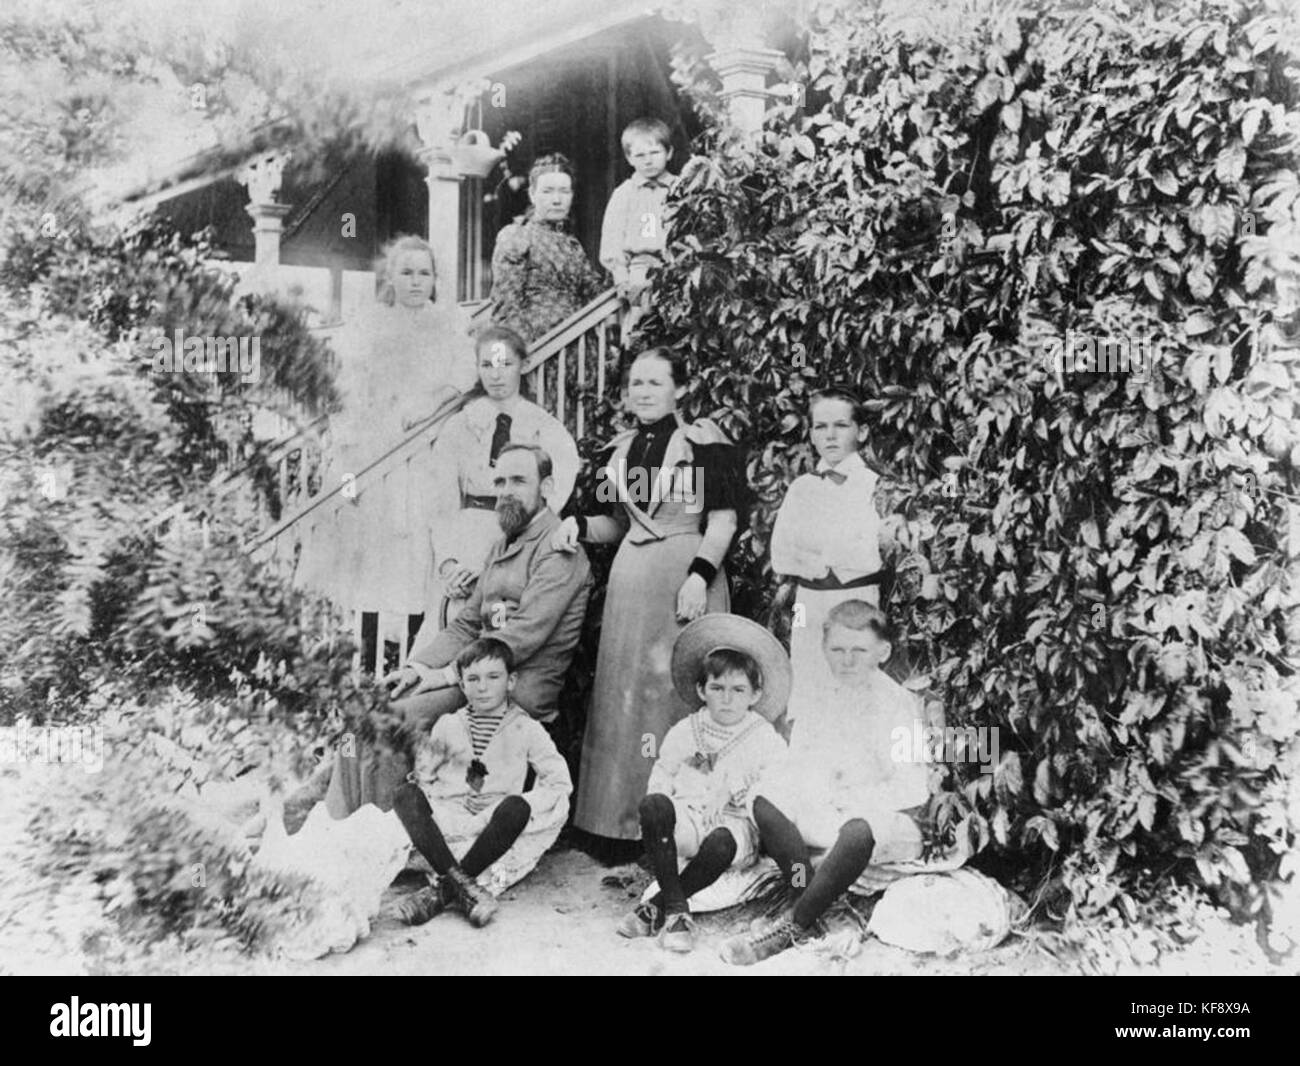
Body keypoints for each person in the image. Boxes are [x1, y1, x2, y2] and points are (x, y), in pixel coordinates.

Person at [295, 444, 591, 822]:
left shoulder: (559, 549)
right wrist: (417, 669)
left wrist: (447, 674)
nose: (505, 492)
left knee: (395, 723)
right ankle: (342, 827)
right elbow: (467, 623)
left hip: (517, 684)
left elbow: (522, 636)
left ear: (546, 487)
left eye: (518, 481)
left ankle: (386, 837)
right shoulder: (504, 544)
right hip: (478, 675)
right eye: (500, 482)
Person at [553, 347, 747, 847]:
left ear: (679, 389)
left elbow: (723, 521)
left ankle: (679, 828)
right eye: (636, 383)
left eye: (655, 383)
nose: (643, 392)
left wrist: (699, 577)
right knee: (625, 703)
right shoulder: (619, 452)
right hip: (631, 588)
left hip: (684, 581)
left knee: (675, 697)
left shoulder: (704, 445)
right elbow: (616, 525)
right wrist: (577, 525)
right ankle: (617, 826)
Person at [719, 601, 931, 966]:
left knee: (858, 829)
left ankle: (794, 925)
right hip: (828, 808)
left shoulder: (898, 704)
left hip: (879, 820)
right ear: (824, 649)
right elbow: (799, 764)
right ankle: (806, 896)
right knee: (765, 798)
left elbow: (914, 787)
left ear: (883, 652)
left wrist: (856, 796)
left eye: (859, 651)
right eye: (837, 650)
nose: (847, 661)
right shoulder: (819, 696)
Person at [297, 234, 478, 623]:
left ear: (435, 279)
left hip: (426, 443)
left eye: (424, 273)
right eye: (406, 272)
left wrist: (433, 402)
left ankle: (410, 631)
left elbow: (464, 375)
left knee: (417, 536)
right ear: (391, 277)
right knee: (367, 535)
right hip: (376, 442)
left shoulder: (449, 323)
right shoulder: (369, 323)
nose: (415, 281)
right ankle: (365, 630)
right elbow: (347, 386)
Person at [618, 615, 790, 953]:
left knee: (721, 840)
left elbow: (778, 782)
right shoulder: (686, 729)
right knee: (654, 806)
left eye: (738, 690)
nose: (727, 699)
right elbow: (663, 772)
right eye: (717, 688)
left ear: (755, 694)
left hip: (734, 827)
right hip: (688, 820)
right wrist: (661, 813)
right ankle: (677, 911)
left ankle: (658, 907)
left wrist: (734, 787)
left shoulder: (763, 736)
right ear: (701, 690)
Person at [392, 637, 572, 927]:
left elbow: (559, 782)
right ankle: (463, 888)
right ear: (462, 685)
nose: (483, 687)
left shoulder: (527, 728)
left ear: (511, 681)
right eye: (473, 679)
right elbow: (425, 775)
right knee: (405, 794)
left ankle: (442, 890)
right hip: (449, 819)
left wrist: (526, 801)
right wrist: (441, 797)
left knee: (516, 808)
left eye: (493, 677)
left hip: (492, 826)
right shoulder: (448, 724)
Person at [427, 325, 580, 623]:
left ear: (523, 365)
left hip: (517, 538)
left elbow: (554, 495)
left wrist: (515, 546)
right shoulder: (459, 426)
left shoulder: (546, 428)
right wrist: (449, 563)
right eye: (487, 365)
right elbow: (439, 503)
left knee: (502, 625)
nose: (496, 375)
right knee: (452, 624)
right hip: (465, 538)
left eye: (505, 364)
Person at [769, 387, 903, 725]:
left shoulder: (877, 487)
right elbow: (782, 554)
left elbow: (873, 554)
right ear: (812, 434)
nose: (830, 435)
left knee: (854, 684)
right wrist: (824, 557)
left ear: (862, 432)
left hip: (857, 597)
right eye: (820, 426)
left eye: (841, 426)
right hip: (807, 602)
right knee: (807, 680)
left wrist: (820, 551)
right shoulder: (801, 488)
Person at [489, 153, 607, 343]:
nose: (557, 200)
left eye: (564, 191)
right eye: (547, 191)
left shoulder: (572, 245)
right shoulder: (517, 236)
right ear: (532, 194)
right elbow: (506, 308)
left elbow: (594, 293)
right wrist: (526, 351)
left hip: (580, 343)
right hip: (539, 348)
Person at [599, 117, 675, 305]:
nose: (648, 161)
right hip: (640, 267)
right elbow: (613, 237)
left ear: (669, 153)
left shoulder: (680, 188)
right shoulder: (624, 193)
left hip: (676, 265)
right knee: (640, 311)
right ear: (629, 158)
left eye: (655, 153)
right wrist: (620, 276)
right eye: (640, 155)